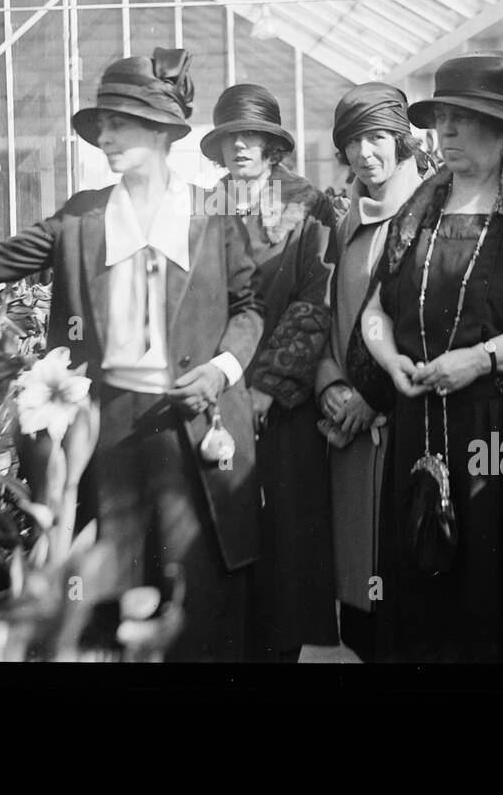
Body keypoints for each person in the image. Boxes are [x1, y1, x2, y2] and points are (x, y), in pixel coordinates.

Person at [0, 49, 264, 661]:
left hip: (193, 428)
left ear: (160, 132)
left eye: (119, 125)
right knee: (105, 591)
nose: (105, 138)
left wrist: (220, 370)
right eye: (102, 127)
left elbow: (250, 308)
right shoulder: (82, 218)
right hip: (106, 431)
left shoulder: (212, 216)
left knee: (195, 596)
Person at [360, 52, 503, 663]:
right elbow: (375, 309)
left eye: (464, 119)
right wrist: (389, 360)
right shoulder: (418, 210)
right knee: (424, 604)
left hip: (500, 437)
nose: (448, 132)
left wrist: (482, 358)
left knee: (495, 604)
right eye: (442, 119)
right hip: (419, 431)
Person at [202, 84, 339, 662]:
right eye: (229, 136)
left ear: (273, 145)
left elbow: (316, 301)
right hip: (218, 395)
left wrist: (266, 390)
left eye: (251, 136)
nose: (239, 146)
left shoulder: (309, 206)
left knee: (284, 546)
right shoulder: (202, 208)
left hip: (283, 400)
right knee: (221, 539)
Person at [312, 82, 430, 662]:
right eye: (353, 141)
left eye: (378, 137)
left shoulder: (431, 214)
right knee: (360, 618)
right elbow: (327, 314)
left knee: (404, 608)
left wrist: (373, 397)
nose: (364, 153)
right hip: (351, 437)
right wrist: (330, 385)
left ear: (402, 140)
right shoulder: (347, 224)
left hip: (402, 425)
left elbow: (430, 325)